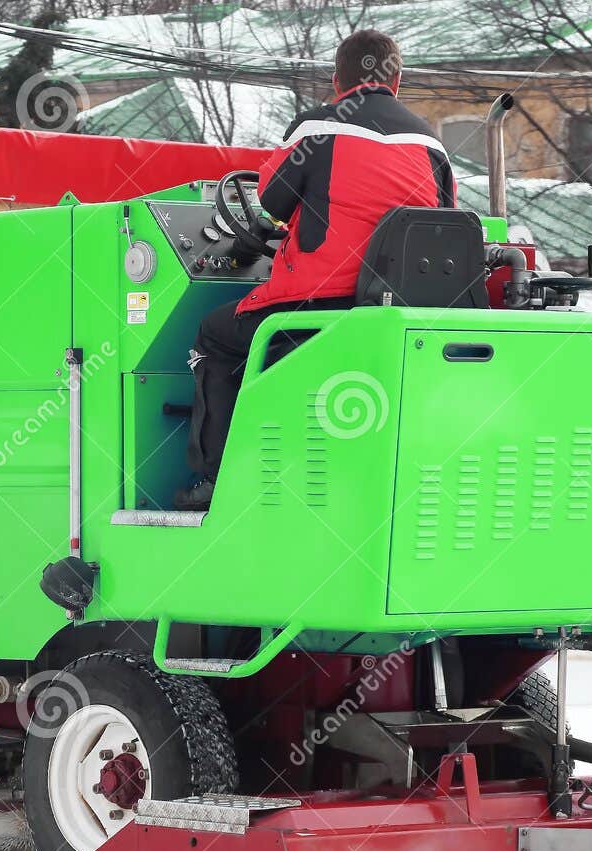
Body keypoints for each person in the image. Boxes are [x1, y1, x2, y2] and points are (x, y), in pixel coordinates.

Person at [175, 28, 457, 512]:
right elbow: (442, 227)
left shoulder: (318, 128)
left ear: (336, 81)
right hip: (392, 321)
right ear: (398, 80)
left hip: (313, 309)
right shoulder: (432, 145)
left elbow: (271, 201)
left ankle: (214, 482)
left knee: (215, 336)